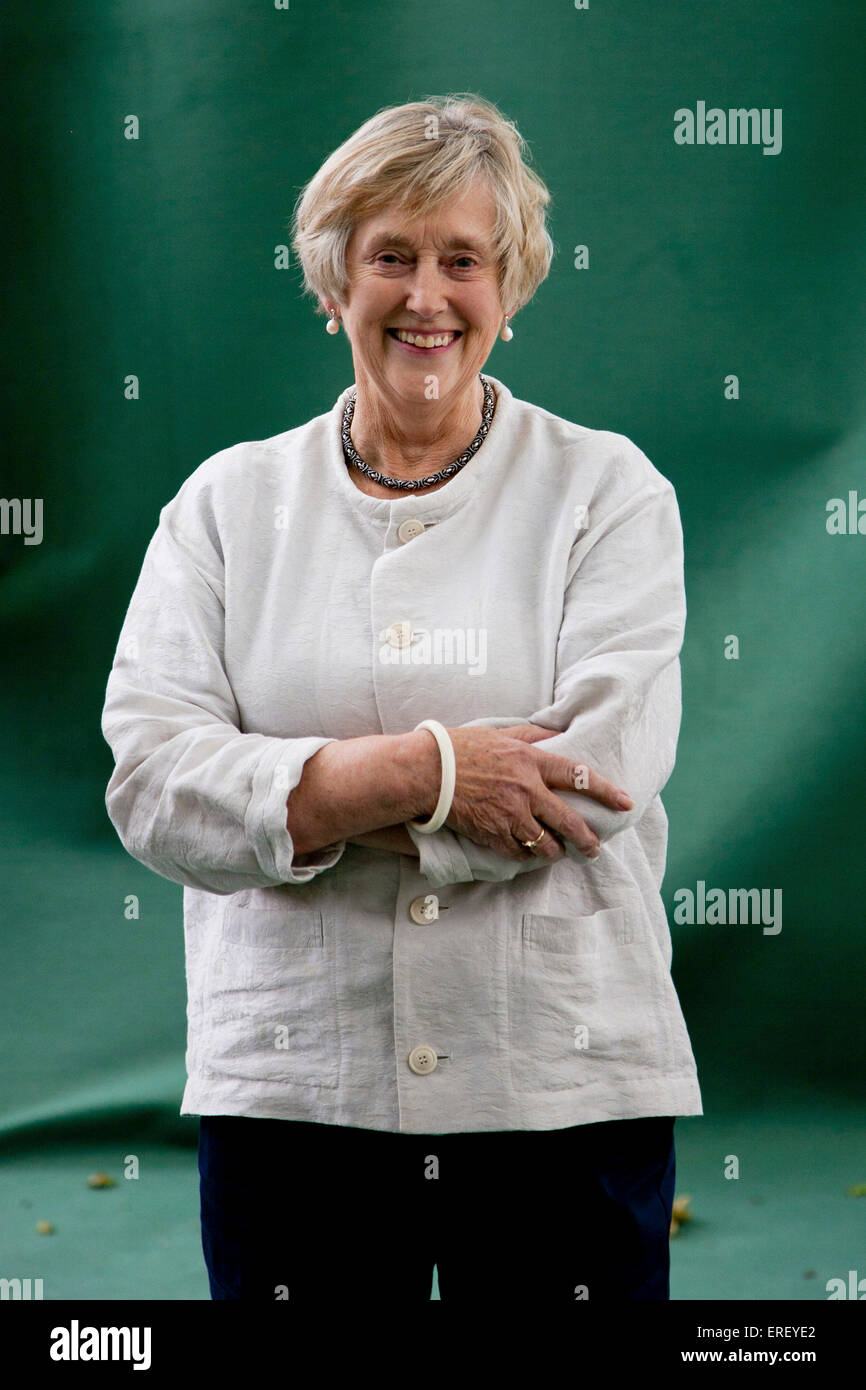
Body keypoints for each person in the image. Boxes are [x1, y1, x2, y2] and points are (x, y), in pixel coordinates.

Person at [101, 93, 702, 1304]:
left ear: (509, 287)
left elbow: (592, 786)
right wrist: (436, 776)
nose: (426, 296)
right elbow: (156, 785)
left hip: (555, 1084)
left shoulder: (609, 492)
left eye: (461, 261)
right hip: (294, 1090)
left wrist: (293, 798)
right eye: (390, 257)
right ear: (333, 281)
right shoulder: (223, 504)